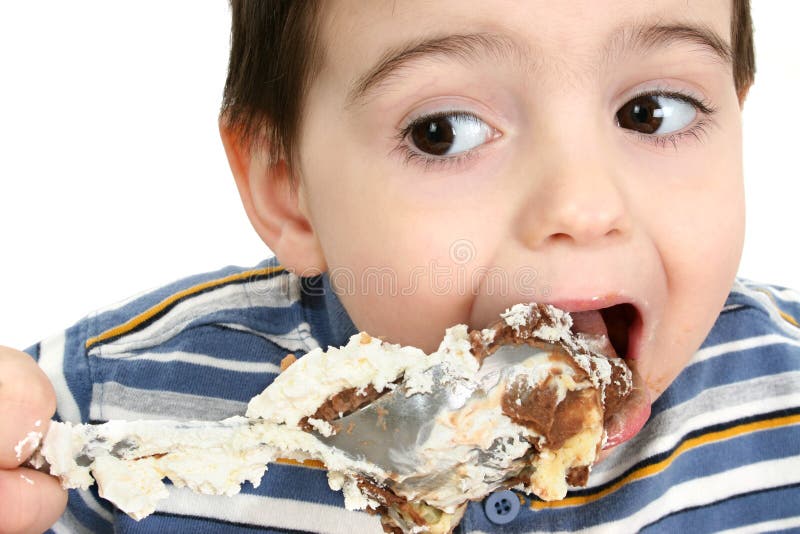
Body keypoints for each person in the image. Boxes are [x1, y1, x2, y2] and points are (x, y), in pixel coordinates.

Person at [1, 0, 798, 532]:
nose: (583, 206)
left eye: (652, 112)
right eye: (443, 131)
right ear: (291, 190)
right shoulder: (111, 408)